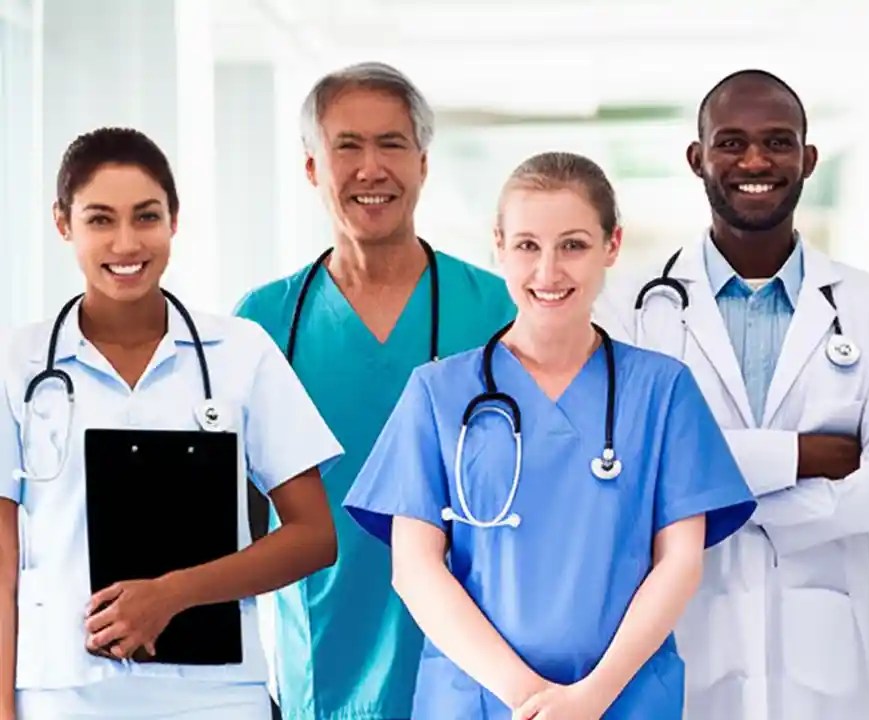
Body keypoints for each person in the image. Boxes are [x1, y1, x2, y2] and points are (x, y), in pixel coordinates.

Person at [342, 151, 756, 718]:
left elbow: (680, 562)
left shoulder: (663, 391)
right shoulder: (437, 392)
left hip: (624, 697)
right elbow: (414, 569)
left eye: (574, 245)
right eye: (527, 246)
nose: (548, 272)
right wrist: (530, 700)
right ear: (499, 245)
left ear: (612, 246)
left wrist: (591, 698)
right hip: (483, 700)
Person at [593, 69, 869, 719]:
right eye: (731, 142)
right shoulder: (630, 309)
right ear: (698, 158)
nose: (755, 161)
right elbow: (632, 468)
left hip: (821, 668)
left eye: (778, 142)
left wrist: (714, 499)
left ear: (807, 159)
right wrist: (805, 457)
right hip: (680, 653)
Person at [0, 127, 341, 719]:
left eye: (147, 217)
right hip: (62, 694)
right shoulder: (17, 365)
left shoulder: (240, 352)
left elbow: (314, 536)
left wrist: (173, 594)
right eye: (100, 219)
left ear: (174, 221)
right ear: (63, 223)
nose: (126, 242)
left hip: (212, 696)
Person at [234, 62, 515, 719]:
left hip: (470, 661)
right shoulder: (266, 322)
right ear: (311, 167)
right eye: (346, 146)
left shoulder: (496, 308)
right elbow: (228, 510)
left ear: (421, 163)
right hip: (321, 669)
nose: (370, 169)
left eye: (391, 144)